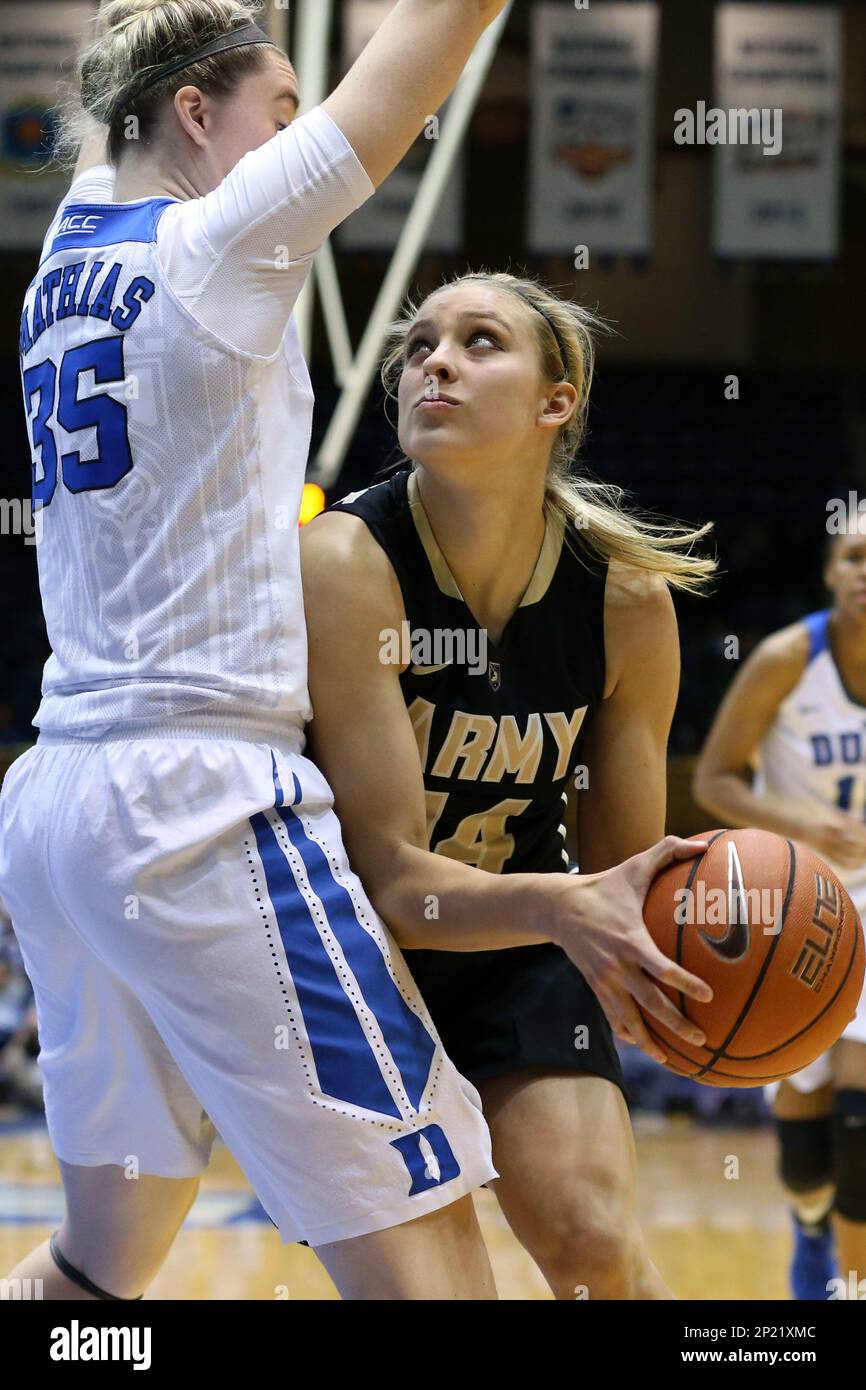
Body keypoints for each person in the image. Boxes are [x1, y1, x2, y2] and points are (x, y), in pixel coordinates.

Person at [0, 0, 706, 1303]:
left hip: (57, 798)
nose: (299, 140)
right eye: (280, 110)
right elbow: (433, 41)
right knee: (435, 1271)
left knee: (100, 1266)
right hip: (199, 799)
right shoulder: (225, 242)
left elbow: (133, 80)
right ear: (200, 119)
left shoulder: (68, 246)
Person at [300, 271, 717, 1298]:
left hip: (521, 943)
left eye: (479, 341)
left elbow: (626, 873)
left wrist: (690, 973)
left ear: (554, 400)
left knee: (590, 1245)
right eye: (418, 344)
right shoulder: (346, 561)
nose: (433, 360)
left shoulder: (622, 597)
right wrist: (575, 908)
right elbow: (397, 881)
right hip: (356, 955)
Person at [694, 527, 866, 1300]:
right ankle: (808, 1226)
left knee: (859, 1133)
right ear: (832, 569)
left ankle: (850, 1291)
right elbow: (713, 781)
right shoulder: (788, 659)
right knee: (808, 1154)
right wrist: (804, 829)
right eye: (856, 556)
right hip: (802, 903)